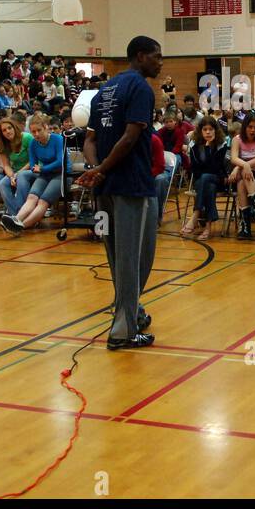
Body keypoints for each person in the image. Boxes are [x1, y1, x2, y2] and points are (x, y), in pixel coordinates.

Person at [79, 36, 163, 350]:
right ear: (140, 57)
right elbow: (129, 138)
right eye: (156, 56)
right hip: (130, 186)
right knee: (136, 259)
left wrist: (95, 168)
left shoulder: (105, 90)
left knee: (116, 258)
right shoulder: (140, 88)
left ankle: (133, 312)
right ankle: (122, 332)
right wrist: (100, 169)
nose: (160, 62)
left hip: (103, 192)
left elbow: (89, 139)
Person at [1, 113, 68, 234]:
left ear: (46, 127)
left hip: (61, 174)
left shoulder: (58, 139)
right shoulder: (33, 143)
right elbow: (32, 164)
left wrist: (41, 169)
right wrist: (37, 169)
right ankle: (16, 219)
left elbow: (60, 162)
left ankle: (21, 226)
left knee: (43, 202)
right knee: (31, 197)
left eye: (39, 130)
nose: (36, 134)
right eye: (33, 131)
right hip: (46, 174)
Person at [181, 116, 228, 240]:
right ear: (200, 131)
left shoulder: (221, 144)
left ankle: (196, 214)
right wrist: (205, 169)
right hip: (200, 181)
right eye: (205, 129)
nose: (208, 132)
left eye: (211, 129)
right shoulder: (194, 145)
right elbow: (194, 169)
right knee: (209, 187)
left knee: (207, 178)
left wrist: (208, 147)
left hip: (218, 180)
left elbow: (216, 168)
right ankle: (207, 227)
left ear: (215, 130)